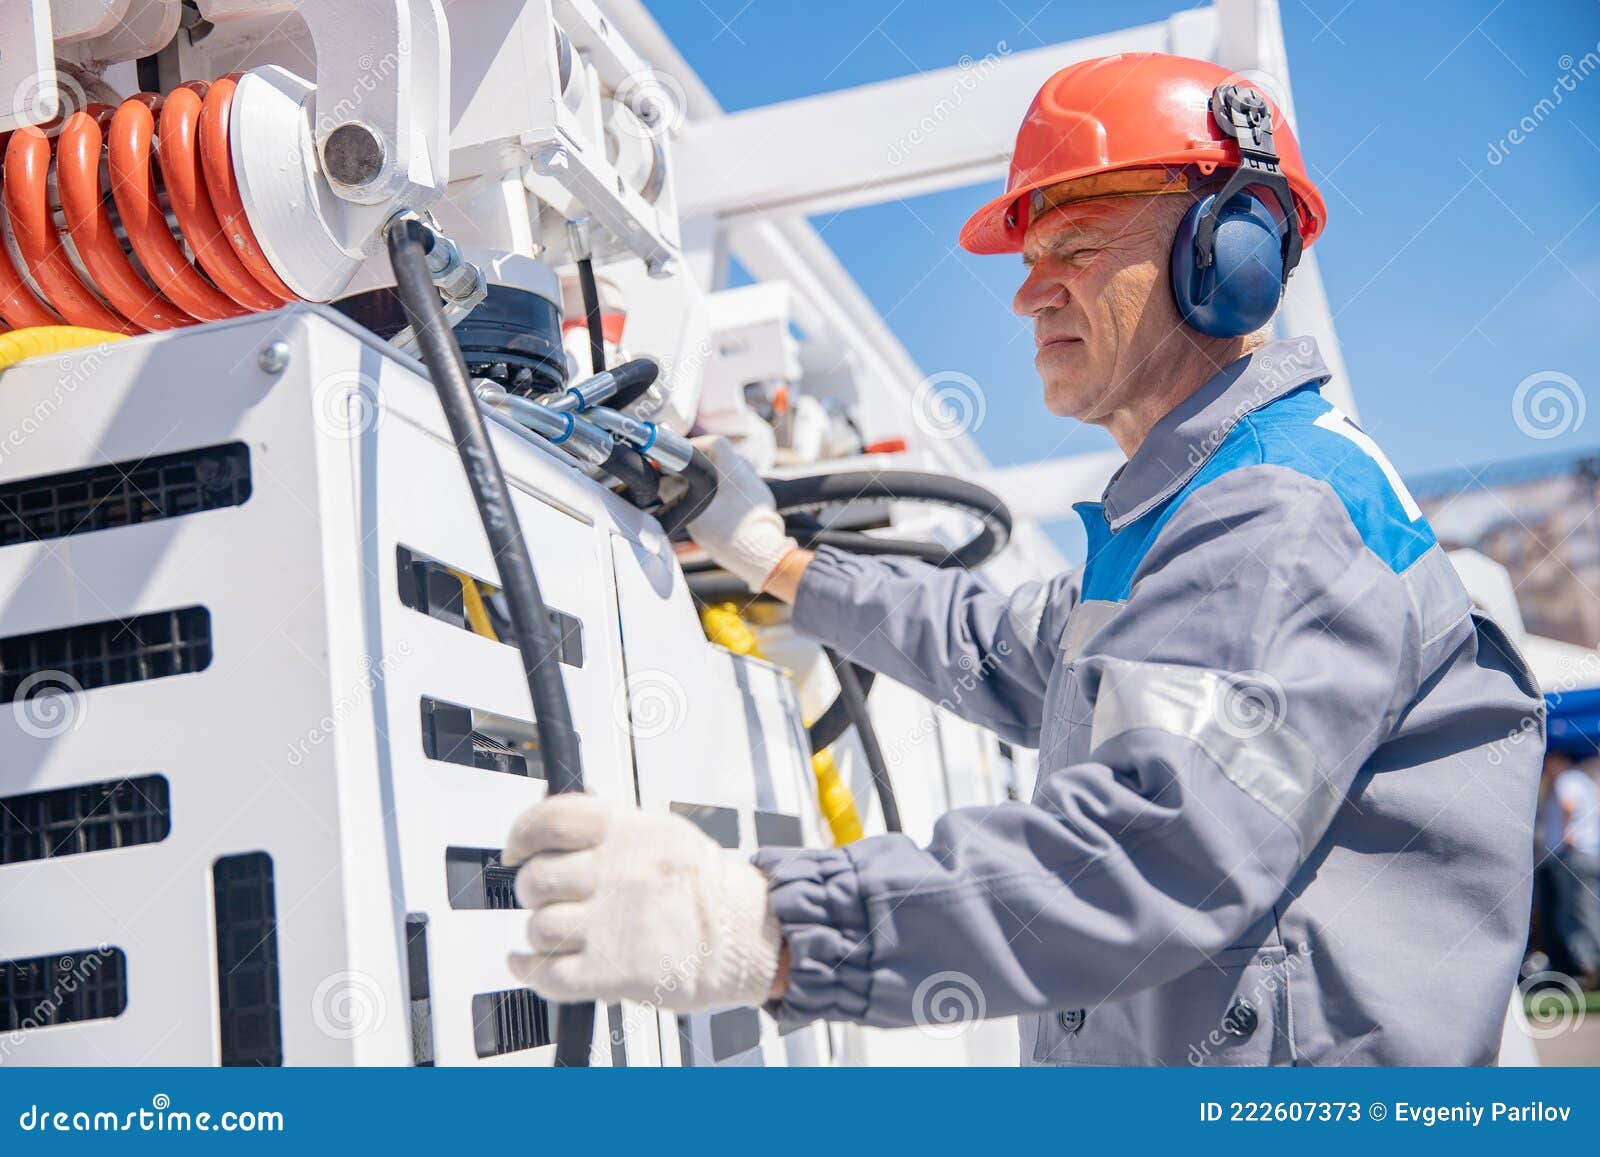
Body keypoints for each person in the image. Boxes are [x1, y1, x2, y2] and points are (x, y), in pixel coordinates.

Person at [502, 53, 1544, 1065]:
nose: (1027, 296)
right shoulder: (1187, 523)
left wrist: (761, 924)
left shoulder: (1278, 515)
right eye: (1028, 259)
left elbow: (1157, 847)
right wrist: (773, 555)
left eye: (1078, 249)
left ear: (1232, 255)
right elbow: (995, 645)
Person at [1533, 740, 1600, 986]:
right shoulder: (1583, 780)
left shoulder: (1567, 780)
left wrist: (1566, 833)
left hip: (1571, 856)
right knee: (1580, 911)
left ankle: (1588, 967)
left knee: (1577, 914)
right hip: (1581, 855)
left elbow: (1567, 805)